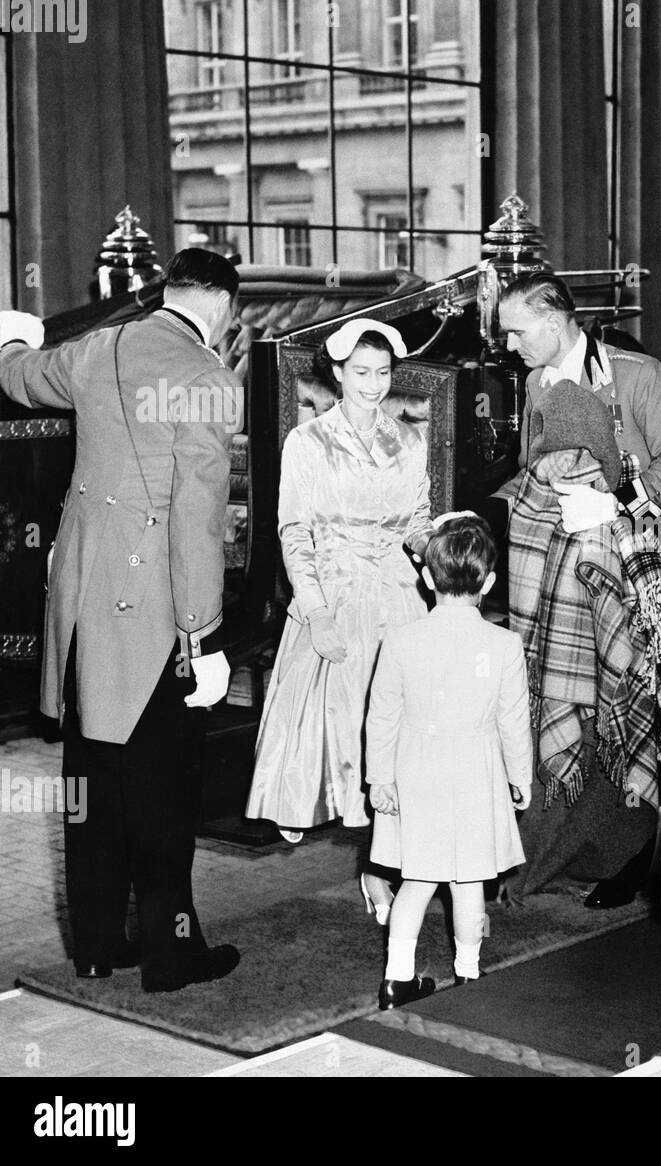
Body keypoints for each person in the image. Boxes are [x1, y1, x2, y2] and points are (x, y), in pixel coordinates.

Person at [0, 249, 243, 991]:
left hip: (80, 606)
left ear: (167, 293)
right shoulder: (207, 379)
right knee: (164, 791)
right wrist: (204, 638)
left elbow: (18, 377)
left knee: (92, 782)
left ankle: (99, 945)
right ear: (223, 307)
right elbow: (196, 521)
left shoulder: (98, 347)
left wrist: (11, 334)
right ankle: (170, 951)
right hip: (155, 613)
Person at [494, 272, 661, 908]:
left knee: (637, 708)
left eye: (516, 330)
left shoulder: (639, 376)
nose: (509, 345)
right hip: (568, 578)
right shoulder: (536, 385)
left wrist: (617, 497)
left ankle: (641, 853)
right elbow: (539, 466)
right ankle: (590, 845)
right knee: (578, 713)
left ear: (556, 321)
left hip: (643, 567)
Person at [244, 317, 433, 922]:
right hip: (335, 597)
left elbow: (418, 521)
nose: (374, 385)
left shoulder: (410, 442)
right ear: (337, 373)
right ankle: (371, 866)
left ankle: (383, 870)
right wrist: (318, 613)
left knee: (399, 740)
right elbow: (293, 532)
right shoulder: (308, 442)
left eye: (382, 373)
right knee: (344, 737)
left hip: (398, 599)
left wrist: (443, 564)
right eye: (361, 373)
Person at [367, 513, 532, 1010]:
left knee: (415, 880)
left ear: (426, 578)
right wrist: (519, 779)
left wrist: (379, 778)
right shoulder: (504, 645)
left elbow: (382, 717)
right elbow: (513, 723)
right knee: (468, 881)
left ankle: (396, 981)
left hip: (415, 768)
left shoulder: (400, 640)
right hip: (476, 770)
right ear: (489, 582)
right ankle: (468, 976)